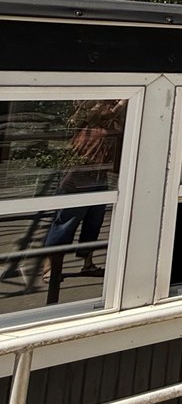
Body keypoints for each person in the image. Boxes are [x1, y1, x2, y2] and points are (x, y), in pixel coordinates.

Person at [42, 100, 125, 281]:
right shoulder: (94, 107)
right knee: (66, 220)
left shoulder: (117, 117)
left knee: (94, 221)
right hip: (77, 173)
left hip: (99, 173)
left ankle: (88, 262)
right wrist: (121, 102)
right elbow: (99, 115)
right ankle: (51, 267)